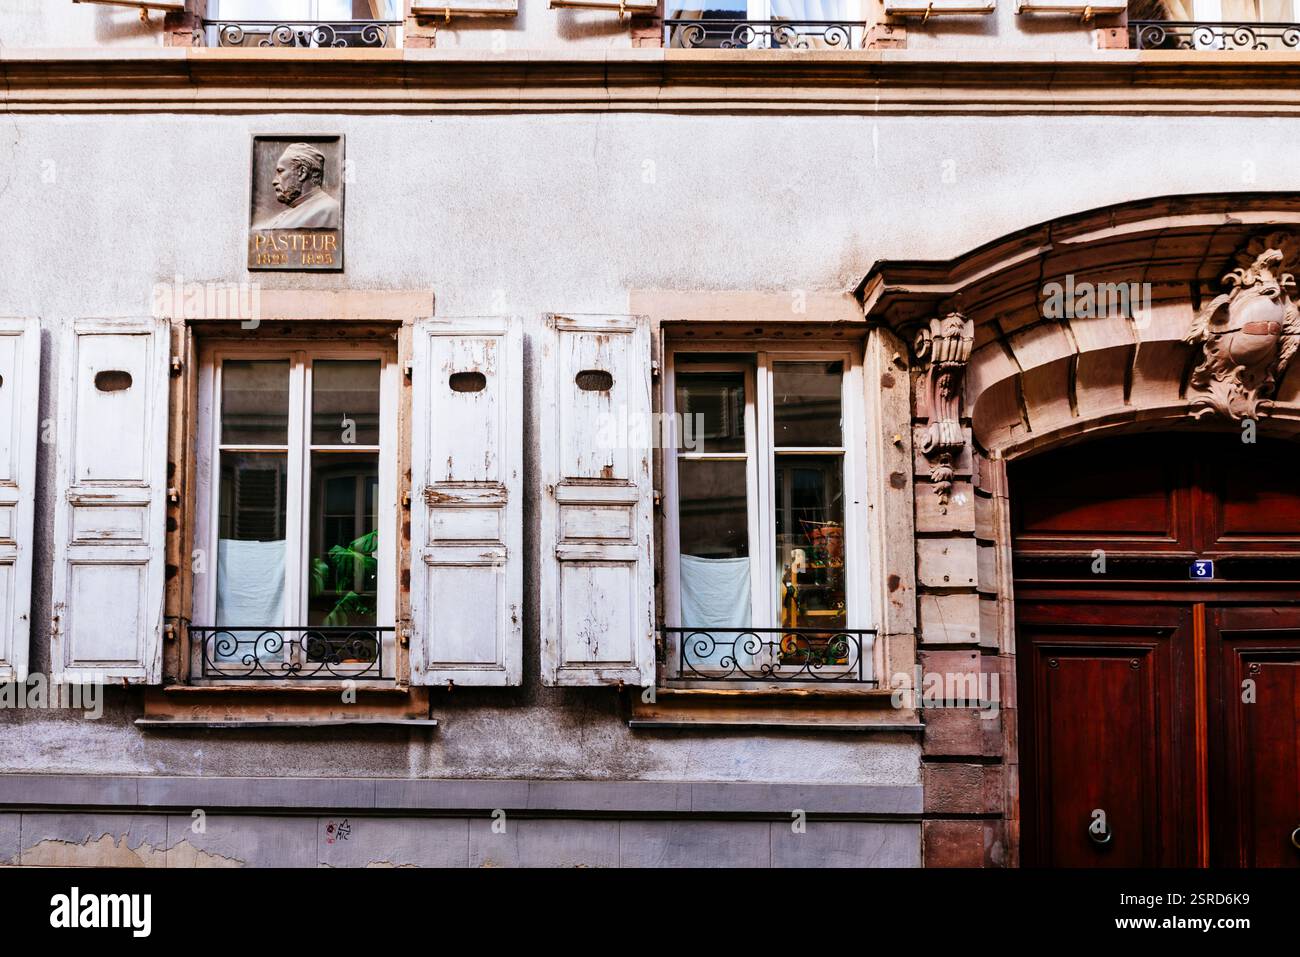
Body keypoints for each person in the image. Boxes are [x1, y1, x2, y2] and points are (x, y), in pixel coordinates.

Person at [256, 143, 340, 229]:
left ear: (302, 172)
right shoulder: (284, 216)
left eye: (280, 171)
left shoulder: (329, 211)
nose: (274, 181)